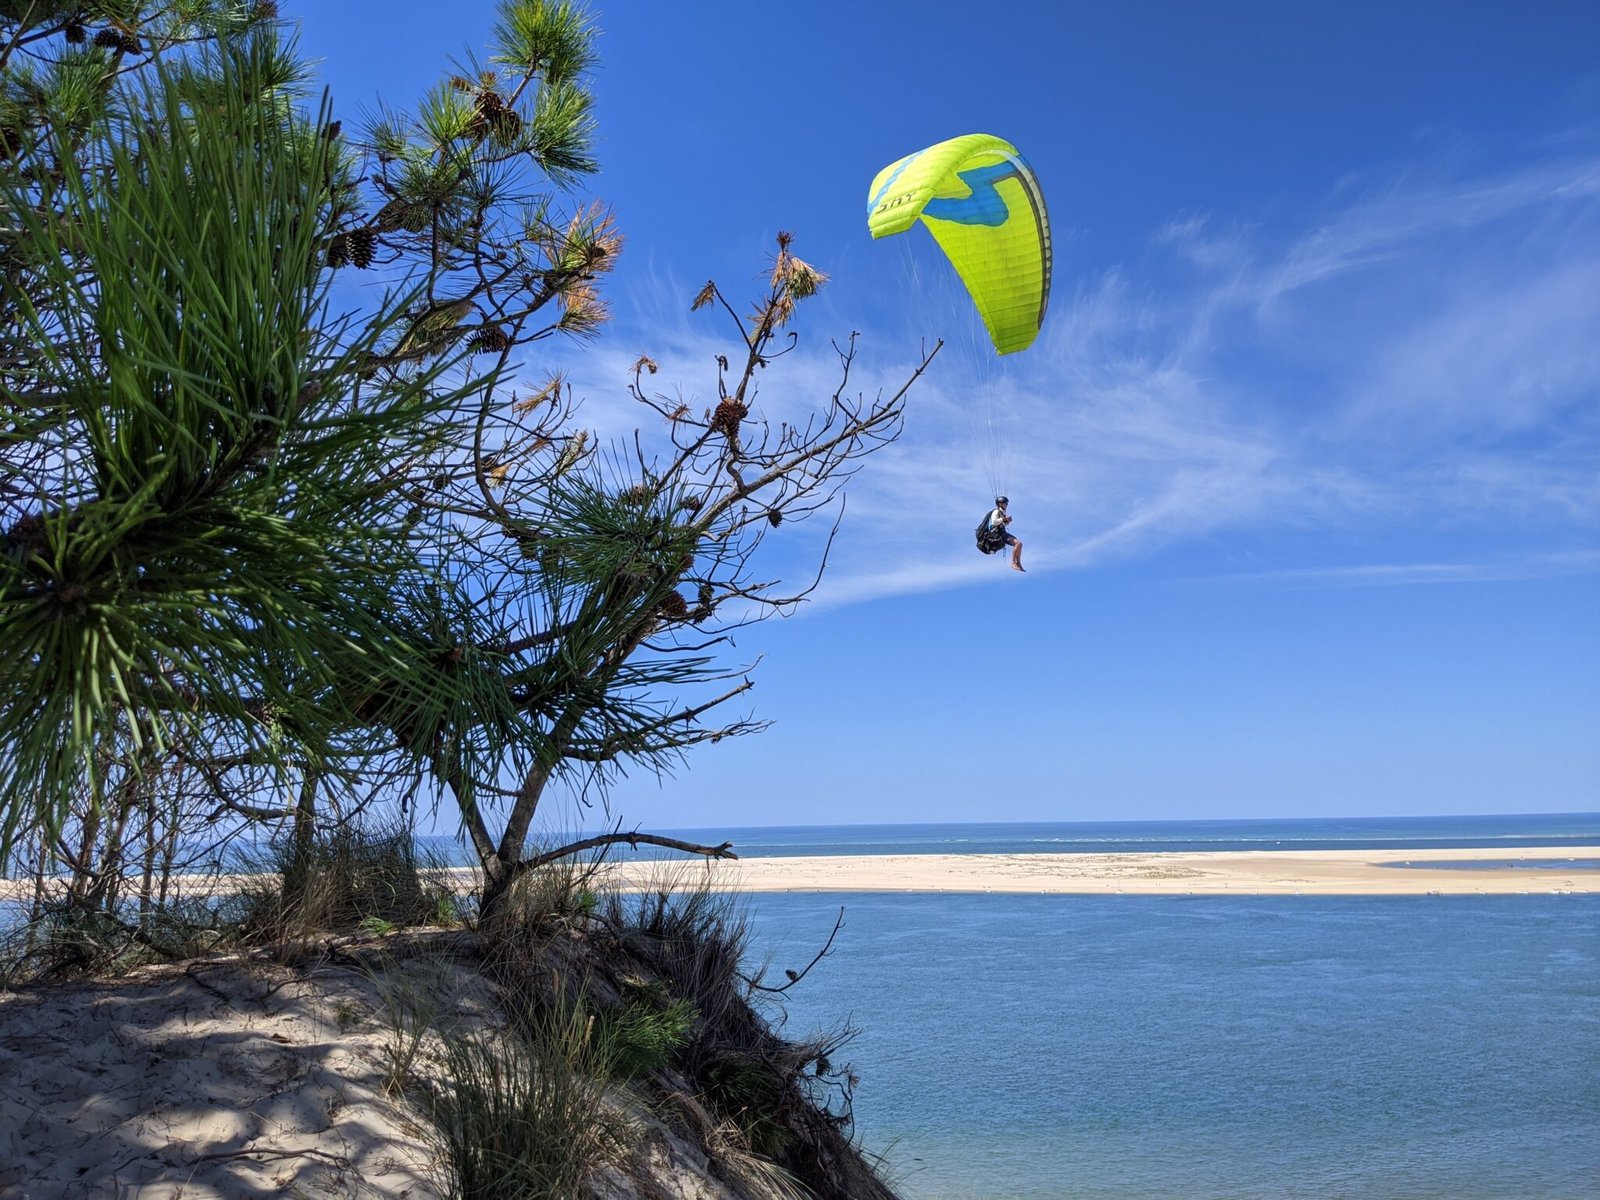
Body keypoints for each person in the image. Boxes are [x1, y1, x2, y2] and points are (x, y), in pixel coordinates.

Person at [985, 496, 1024, 572]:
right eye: (1005, 503)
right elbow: (994, 522)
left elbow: (1001, 524)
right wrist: (1004, 519)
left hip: (1003, 533)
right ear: (1000, 504)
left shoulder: (1002, 513)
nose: (1006, 504)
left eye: (1007, 503)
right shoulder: (996, 511)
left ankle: (1018, 563)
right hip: (998, 534)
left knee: (1020, 544)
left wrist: (1007, 521)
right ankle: (1013, 562)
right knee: (1018, 543)